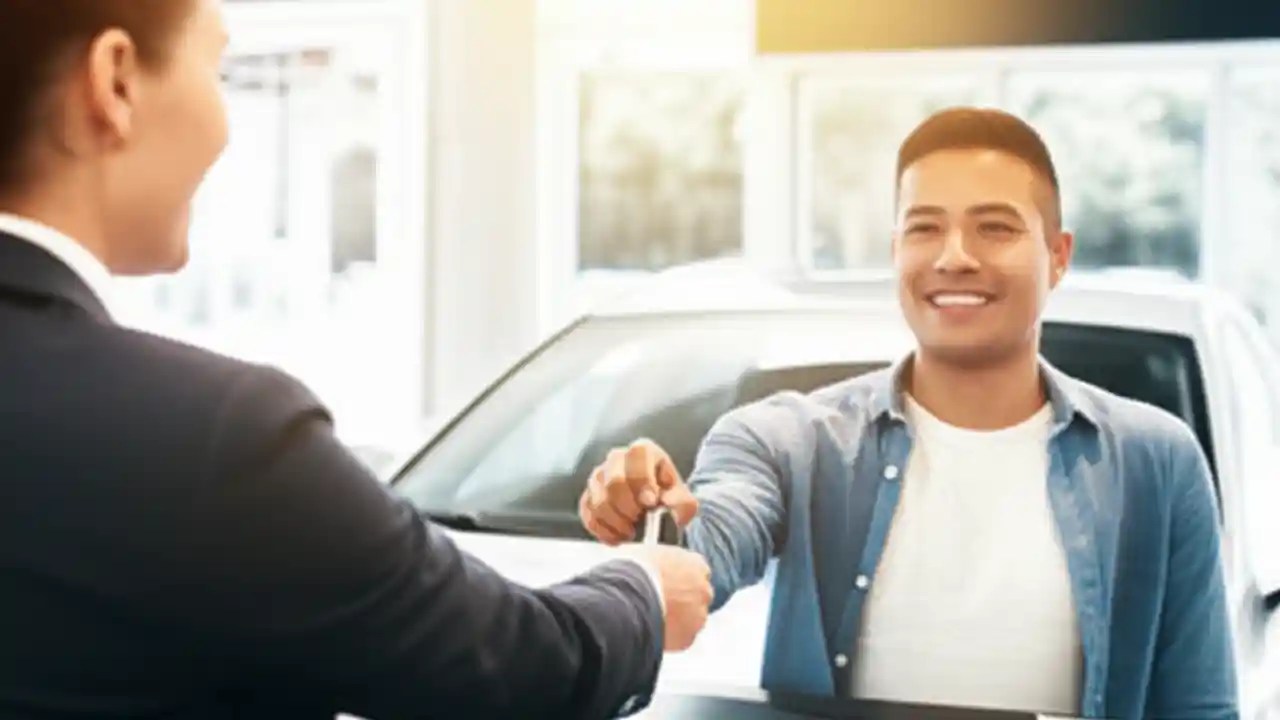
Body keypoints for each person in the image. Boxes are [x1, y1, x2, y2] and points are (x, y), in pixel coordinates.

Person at [0, 1, 714, 718]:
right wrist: (643, 588)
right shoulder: (212, 438)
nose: (224, 127)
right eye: (218, 68)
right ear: (116, 81)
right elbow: (520, 670)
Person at [580, 107, 1238, 719]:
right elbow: (712, 541)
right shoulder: (788, 440)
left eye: (995, 227)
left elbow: (1200, 706)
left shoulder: (1158, 460)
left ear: (1058, 256)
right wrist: (650, 512)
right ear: (897, 250)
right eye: (925, 227)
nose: (954, 255)